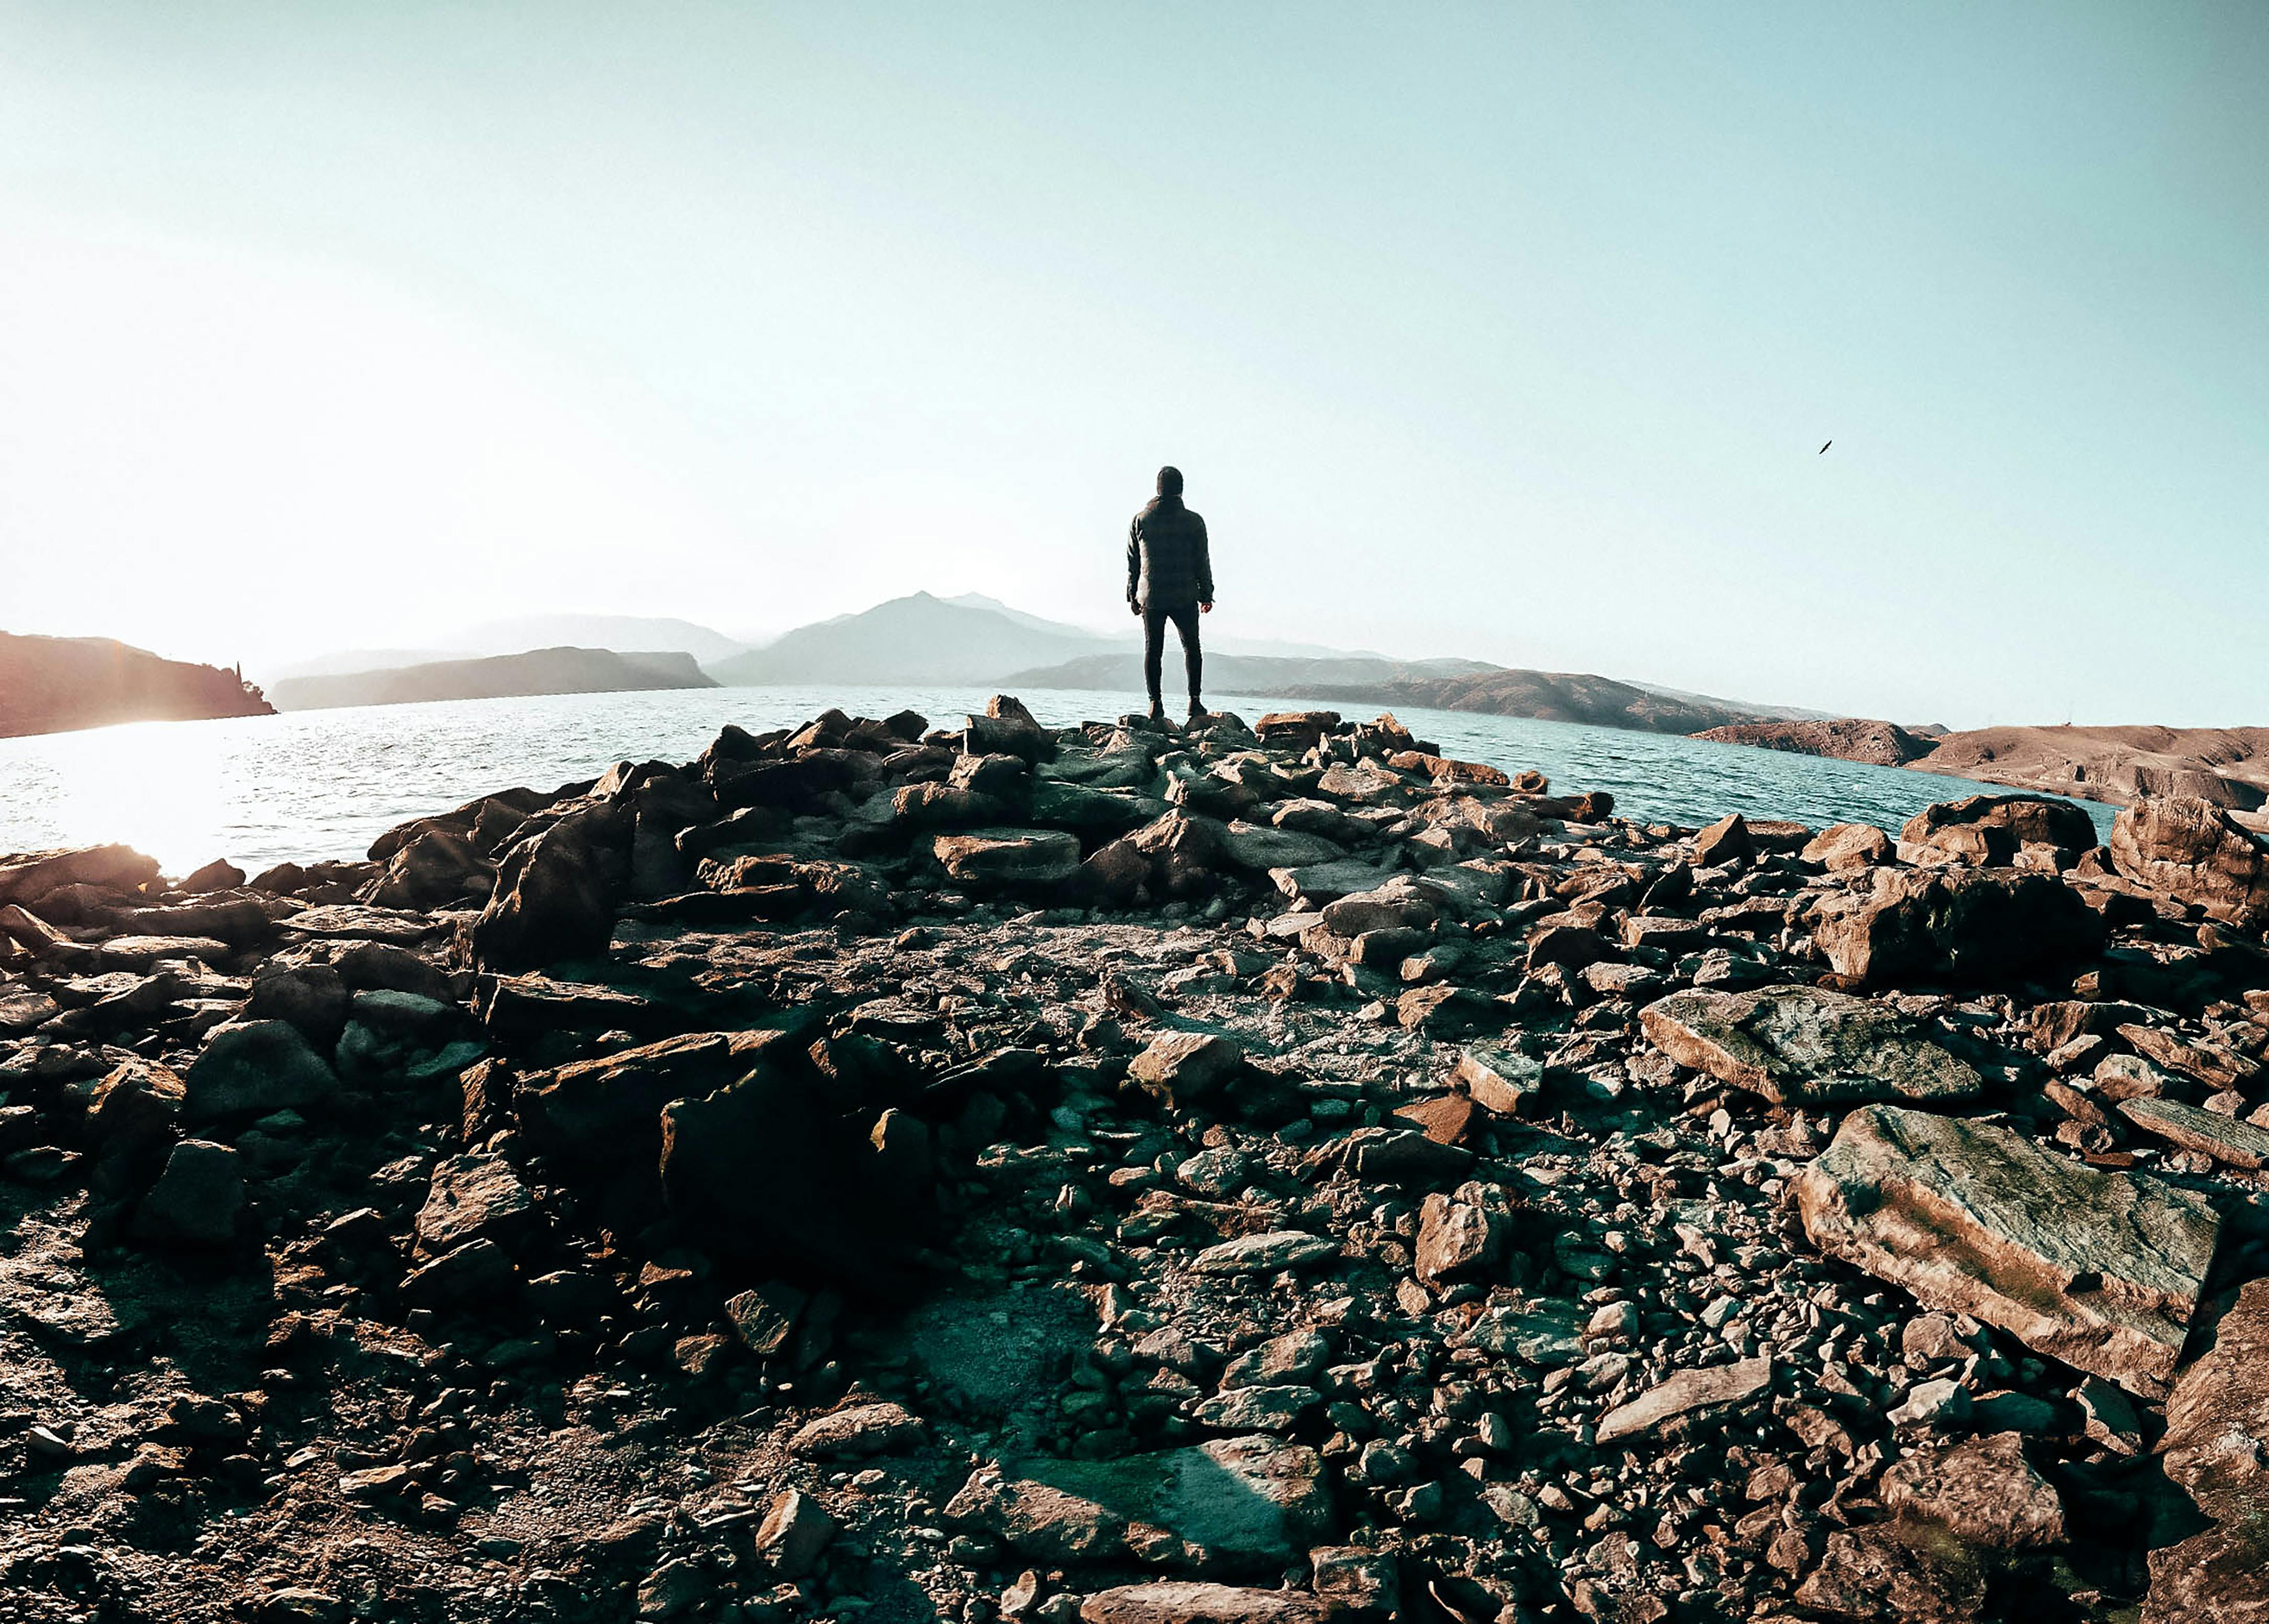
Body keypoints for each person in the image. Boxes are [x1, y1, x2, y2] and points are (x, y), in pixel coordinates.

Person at [1126, 465, 1213, 724]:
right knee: (1192, 648)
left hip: (1150, 595)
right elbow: (1202, 561)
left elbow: (1133, 562)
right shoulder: (1194, 521)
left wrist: (1133, 596)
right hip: (1185, 595)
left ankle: (1155, 705)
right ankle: (1195, 702)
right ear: (1181, 489)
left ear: (1158, 489)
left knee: (1154, 649)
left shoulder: (1141, 519)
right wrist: (1206, 594)